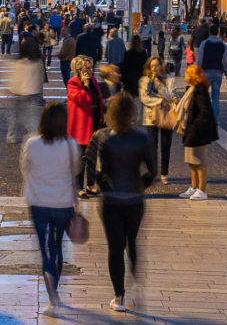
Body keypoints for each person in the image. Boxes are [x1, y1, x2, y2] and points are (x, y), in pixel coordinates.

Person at [87, 92, 156, 313]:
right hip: (135, 199)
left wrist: (101, 185)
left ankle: (119, 295)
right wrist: (142, 184)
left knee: (115, 247)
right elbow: (152, 170)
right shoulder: (142, 138)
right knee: (132, 241)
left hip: (112, 199)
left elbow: (93, 166)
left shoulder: (103, 137)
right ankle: (135, 281)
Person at [20, 103, 80, 314]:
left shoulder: (32, 143)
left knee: (45, 250)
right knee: (57, 246)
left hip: (38, 202)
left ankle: (52, 297)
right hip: (63, 203)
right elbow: (75, 174)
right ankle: (55, 292)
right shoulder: (71, 144)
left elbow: (25, 169)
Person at [179, 65, 218, 201]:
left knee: (199, 161)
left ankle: (202, 189)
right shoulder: (191, 89)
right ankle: (194, 187)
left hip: (198, 132)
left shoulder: (200, 90)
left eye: (186, 73)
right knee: (191, 161)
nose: (184, 76)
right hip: (189, 130)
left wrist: (194, 127)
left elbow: (204, 112)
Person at [66, 55, 103, 198]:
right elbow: (82, 99)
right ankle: (78, 187)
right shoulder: (73, 83)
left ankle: (90, 184)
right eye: (86, 68)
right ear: (78, 69)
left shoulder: (93, 80)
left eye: (91, 67)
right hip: (80, 126)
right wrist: (85, 85)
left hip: (93, 122)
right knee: (81, 158)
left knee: (93, 156)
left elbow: (97, 98)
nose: (90, 70)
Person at [138, 57, 176, 185]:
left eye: (157, 65)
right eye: (152, 66)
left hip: (166, 115)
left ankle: (164, 174)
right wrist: (160, 101)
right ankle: (152, 172)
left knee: (166, 145)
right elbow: (144, 98)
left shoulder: (169, 80)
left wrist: (161, 87)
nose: (154, 68)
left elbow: (171, 96)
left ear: (161, 66)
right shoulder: (144, 80)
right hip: (150, 117)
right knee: (152, 146)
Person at [9, 51, 44, 143]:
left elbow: (15, 78)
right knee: (32, 117)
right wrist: (40, 92)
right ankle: (34, 137)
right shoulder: (38, 62)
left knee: (14, 116)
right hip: (33, 91)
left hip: (19, 91)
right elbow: (41, 77)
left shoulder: (19, 62)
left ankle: (11, 136)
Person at [196, 24, 227, 123]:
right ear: (218, 32)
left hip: (206, 72)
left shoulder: (204, 43)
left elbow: (200, 59)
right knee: (215, 98)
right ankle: (214, 120)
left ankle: (204, 118)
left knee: (204, 97)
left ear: (210, 32)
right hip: (218, 73)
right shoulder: (222, 45)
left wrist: (199, 70)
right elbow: (225, 60)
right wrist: (224, 71)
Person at [120, 36, 148, 117]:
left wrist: (123, 80)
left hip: (129, 81)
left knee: (130, 101)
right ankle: (138, 117)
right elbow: (146, 67)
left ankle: (131, 117)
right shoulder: (143, 54)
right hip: (140, 80)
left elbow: (124, 68)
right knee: (139, 101)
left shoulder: (128, 53)